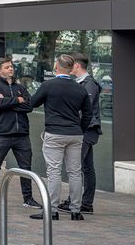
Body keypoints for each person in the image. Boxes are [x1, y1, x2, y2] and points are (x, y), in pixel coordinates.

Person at [29, 54, 93, 221]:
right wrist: (80, 128)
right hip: (75, 134)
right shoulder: (80, 89)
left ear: (57, 67)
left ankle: (52, 210)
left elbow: (33, 103)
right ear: (72, 69)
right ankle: (75, 210)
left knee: (54, 172)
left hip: (55, 133)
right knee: (75, 172)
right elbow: (88, 114)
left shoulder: (48, 85)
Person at [0, 56, 40, 209]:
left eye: (11, 67)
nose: (11, 69)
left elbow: (29, 106)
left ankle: (28, 198)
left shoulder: (20, 87)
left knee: (26, 168)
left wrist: (8, 101)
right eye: (7, 67)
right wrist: (17, 100)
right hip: (2, 134)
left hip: (21, 134)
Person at [68, 52, 102, 215]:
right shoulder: (81, 83)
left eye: (71, 64)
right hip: (85, 129)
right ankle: (86, 203)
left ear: (77, 65)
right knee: (87, 167)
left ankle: (75, 201)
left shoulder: (89, 84)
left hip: (87, 130)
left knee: (77, 166)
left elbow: (84, 109)